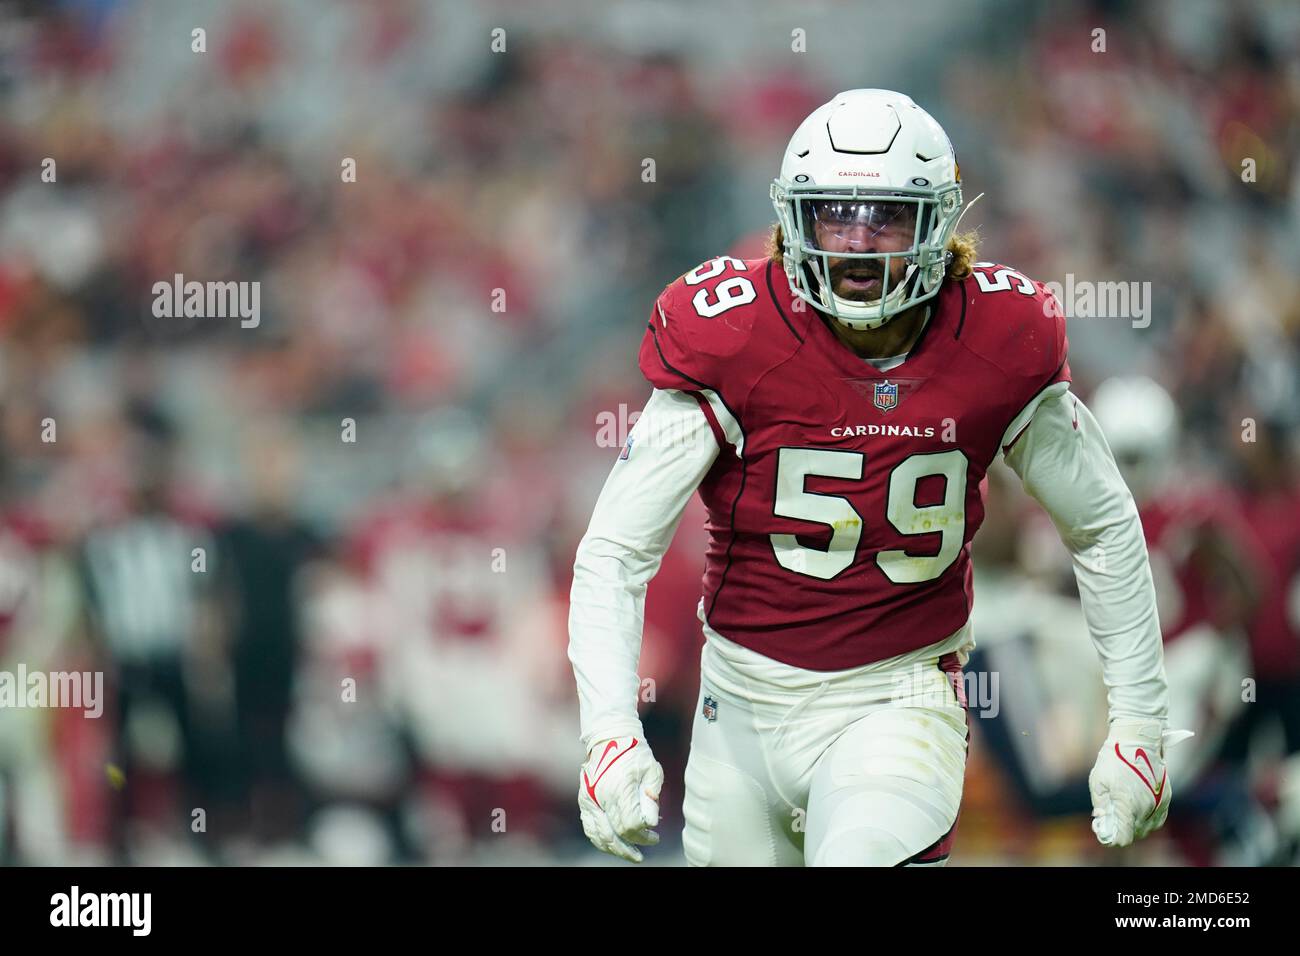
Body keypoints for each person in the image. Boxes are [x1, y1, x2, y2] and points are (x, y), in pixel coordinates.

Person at [568, 89, 1184, 866]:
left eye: (886, 215)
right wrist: (609, 732)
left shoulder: (998, 335)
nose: (858, 241)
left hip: (899, 697)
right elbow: (616, 551)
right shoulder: (731, 332)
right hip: (740, 716)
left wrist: (1138, 724)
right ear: (796, 219)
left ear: (936, 223)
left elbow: (1101, 525)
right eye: (835, 213)